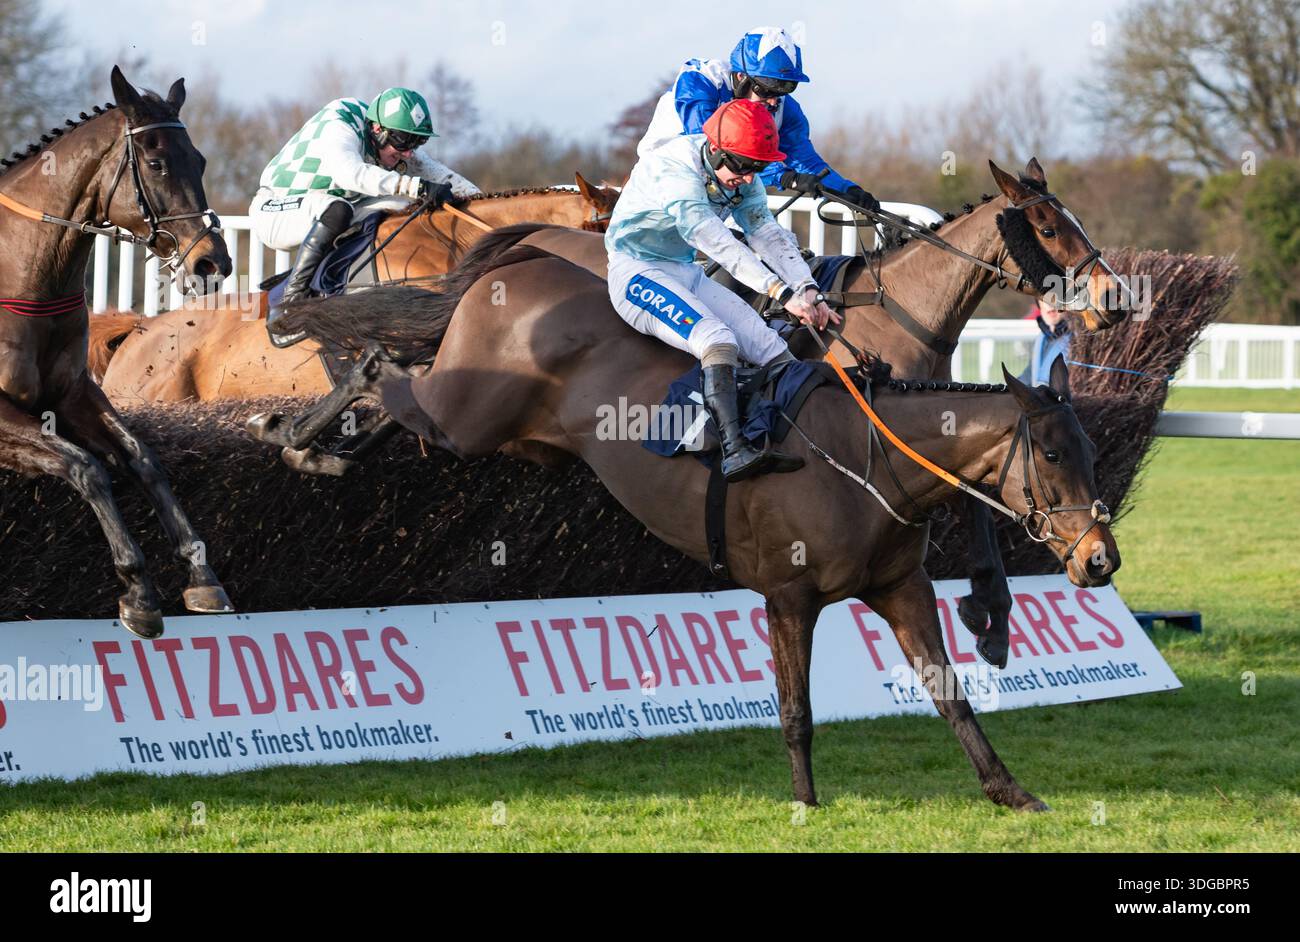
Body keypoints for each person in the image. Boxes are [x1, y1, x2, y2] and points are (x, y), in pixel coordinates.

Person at [606, 98, 840, 482]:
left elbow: (765, 232)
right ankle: (734, 452)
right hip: (636, 270)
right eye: (745, 167)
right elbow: (716, 242)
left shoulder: (740, 168)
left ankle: (799, 439)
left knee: (771, 348)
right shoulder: (674, 168)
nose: (749, 178)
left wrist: (808, 289)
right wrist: (782, 294)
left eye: (759, 169)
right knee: (718, 339)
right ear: (714, 149)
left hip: (684, 269)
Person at [251, 87, 481, 345]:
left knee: (401, 205)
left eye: (417, 142)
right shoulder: (341, 121)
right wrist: (415, 185)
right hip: (275, 211)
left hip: (327, 207)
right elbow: (349, 173)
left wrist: (485, 208)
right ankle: (290, 304)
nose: (408, 152)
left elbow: (439, 174)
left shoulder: (388, 135)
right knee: (338, 209)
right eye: (404, 141)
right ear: (377, 130)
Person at [636, 26, 878, 210]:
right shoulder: (701, 81)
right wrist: (784, 177)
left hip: (720, 197)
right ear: (741, 76)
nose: (774, 101)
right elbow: (710, 150)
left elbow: (806, 162)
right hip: (659, 190)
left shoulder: (785, 109)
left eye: (783, 91)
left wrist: (847, 191)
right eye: (767, 89)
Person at [1020, 299, 1072, 385]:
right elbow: (1026, 378)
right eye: (1044, 300)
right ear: (1039, 305)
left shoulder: (1079, 342)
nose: (1050, 307)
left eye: (1055, 299)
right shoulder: (1042, 339)